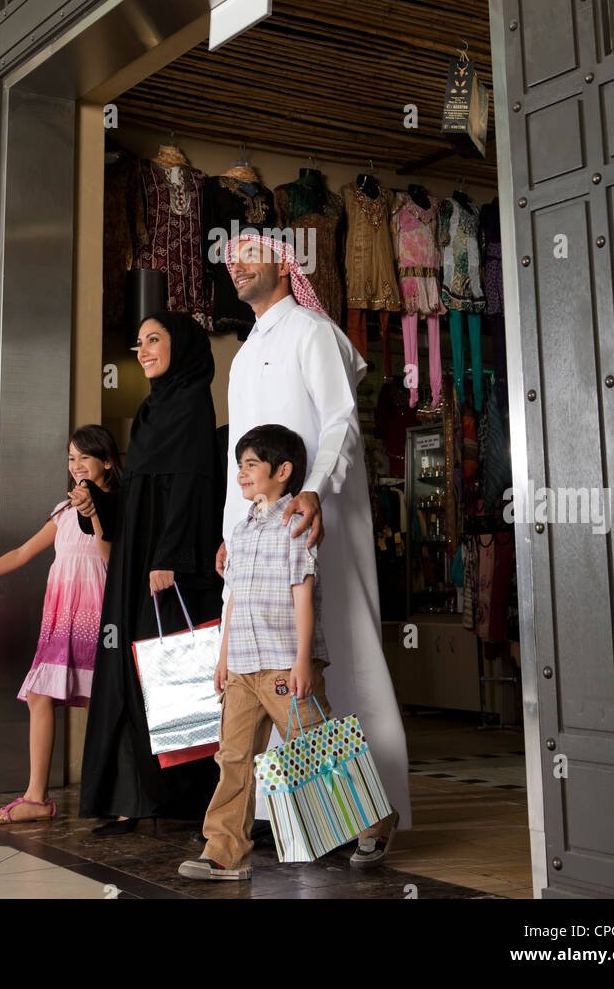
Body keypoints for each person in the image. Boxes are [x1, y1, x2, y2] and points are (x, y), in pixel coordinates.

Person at [218, 232, 410, 851]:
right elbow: (237, 463)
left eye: (252, 254)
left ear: (284, 264)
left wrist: (314, 490)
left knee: (336, 659)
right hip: (260, 541)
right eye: (232, 258)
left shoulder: (311, 331)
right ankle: (303, 827)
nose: (238, 265)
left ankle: (376, 816)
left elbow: (339, 420)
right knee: (280, 683)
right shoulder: (245, 355)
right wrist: (233, 533)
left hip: (315, 519)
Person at [179, 423, 396, 880]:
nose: (241, 473)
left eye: (251, 465)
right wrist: (222, 658)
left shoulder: (295, 526)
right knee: (233, 759)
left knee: (317, 751)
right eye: (238, 465)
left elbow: (303, 593)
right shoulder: (240, 531)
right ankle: (224, 852)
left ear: (283, 471)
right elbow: (233, 595)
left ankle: (376, 821)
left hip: (284, 662)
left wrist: (302, 660)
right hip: (240, 665)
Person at [76, 309, 225, 834]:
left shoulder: (190, 405)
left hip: (166, 569)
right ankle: (125, 798)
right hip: (134, 565)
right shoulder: (147, 413)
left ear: (179, 346)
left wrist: (168, 558)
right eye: (138, 342)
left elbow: (189, 488)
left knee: (162, 674)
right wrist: (95, 502)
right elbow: (136, 499)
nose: (142, 351)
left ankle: (176, 798)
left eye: (154, 340)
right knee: (123, 672)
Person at [0, 425, 116, 822]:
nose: (76, 466)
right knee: (41, 696)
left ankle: (117, 794)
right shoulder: (63, 510)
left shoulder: (118, 504)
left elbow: (111, 558)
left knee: (104, 704)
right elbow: (23, 552)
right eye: (71, 458)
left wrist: (97, 511)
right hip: (60, 616)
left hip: (98, 615)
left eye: (84, 459)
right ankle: (36, 798)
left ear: (106, 462)